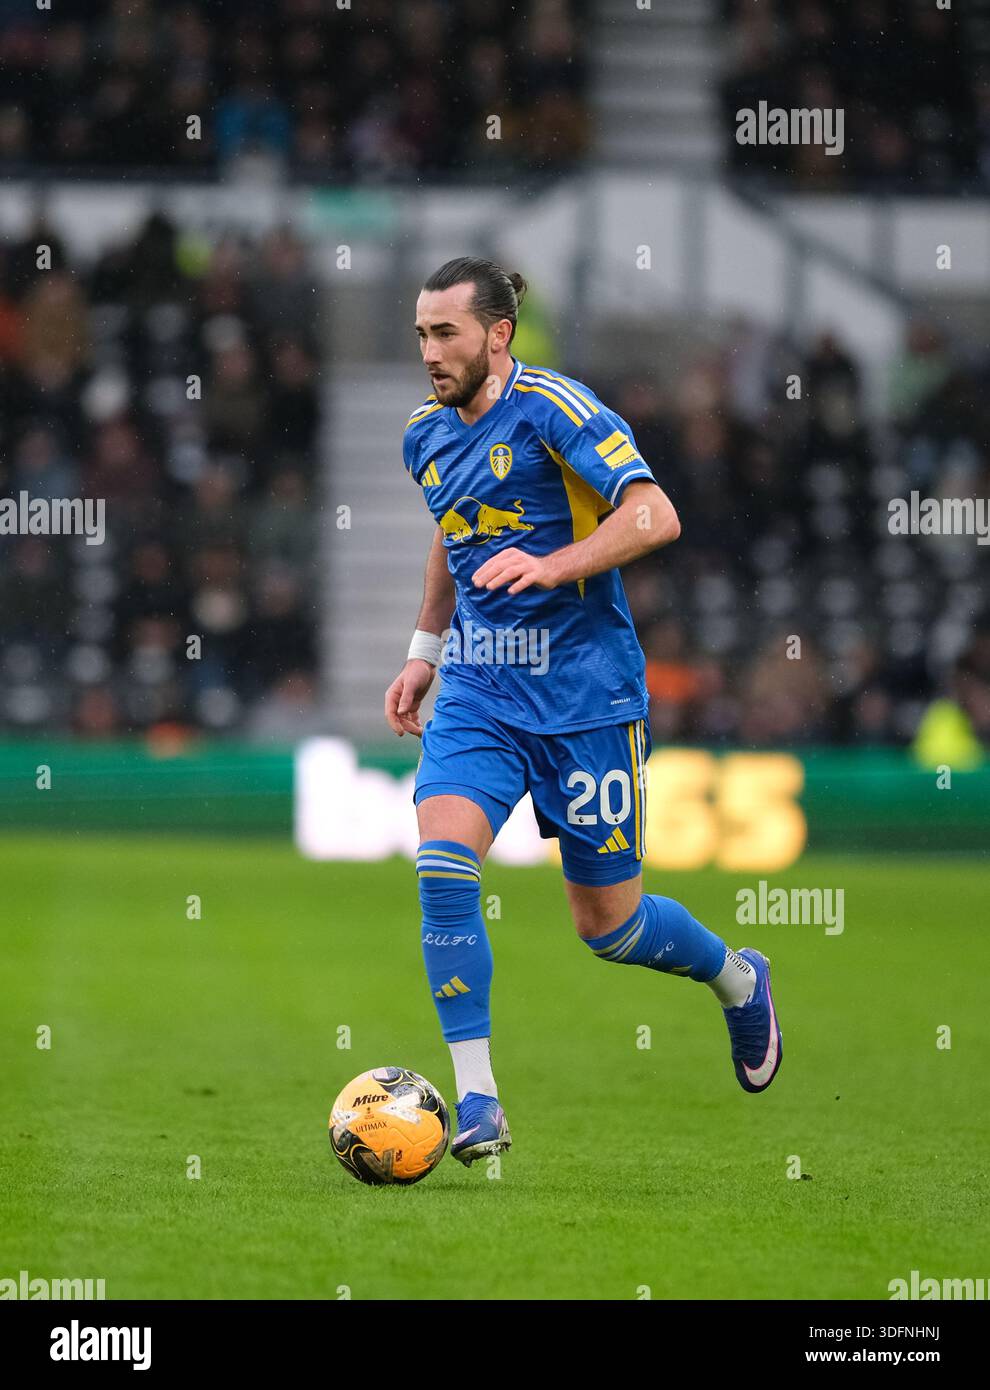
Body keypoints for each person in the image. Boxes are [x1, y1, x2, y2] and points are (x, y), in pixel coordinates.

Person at [385, 257, 782, 1166]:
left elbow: (655, 515)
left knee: (612, 928)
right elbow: (453, 531)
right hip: (482, 689)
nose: (430, 353)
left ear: (498, 335)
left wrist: (551, 565)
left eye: (445, 334)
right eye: (421, 335)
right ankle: (478, 1099)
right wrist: (424, 652)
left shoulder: (557, 409)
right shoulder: (423, 435)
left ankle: (737, 978)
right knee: (442, 866)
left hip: (586, 697)